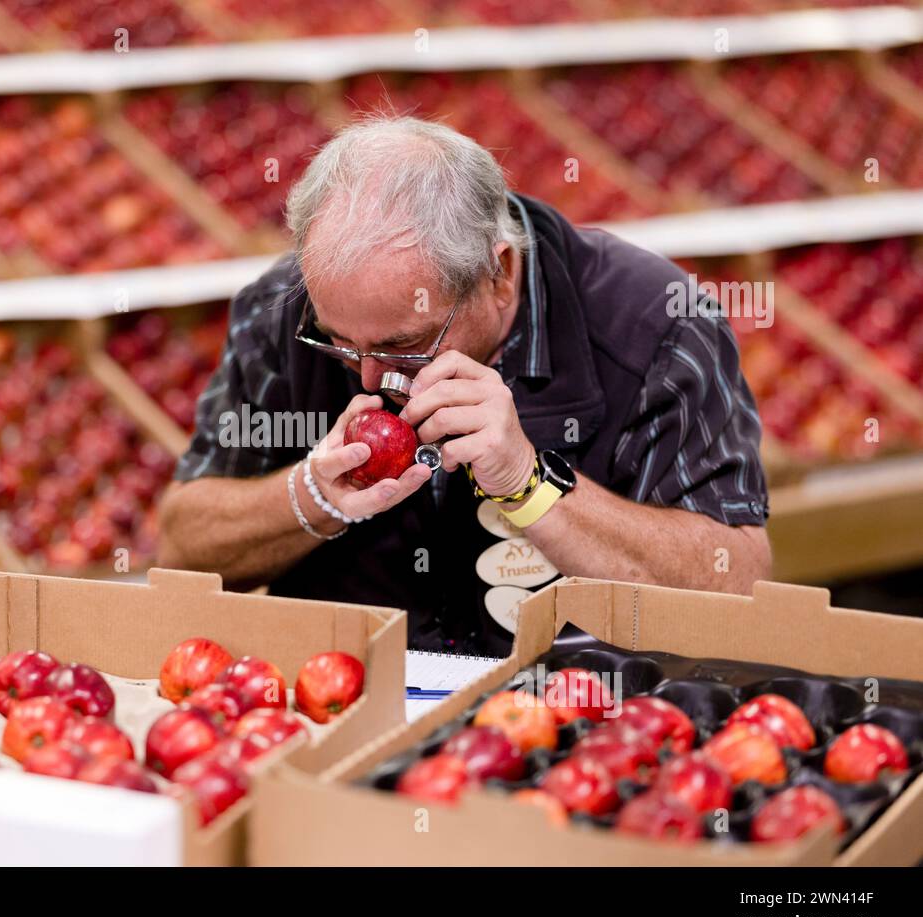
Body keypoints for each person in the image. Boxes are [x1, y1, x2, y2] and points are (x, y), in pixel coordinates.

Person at [157, 116, 771, 656]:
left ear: (499, 274)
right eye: (340, 342)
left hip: (577, 720)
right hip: (345, 705)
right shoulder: (280, 310)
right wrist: (308, 498)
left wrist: (530, 485)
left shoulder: (653, 324)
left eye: (404, 344)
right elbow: (184, 550)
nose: (371, 377)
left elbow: (741, 584)